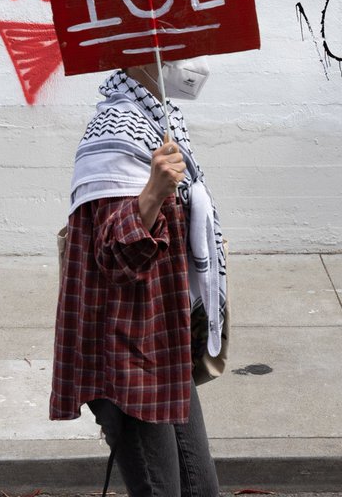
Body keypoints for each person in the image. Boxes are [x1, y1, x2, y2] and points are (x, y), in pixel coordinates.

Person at [52, 62, 224, 497]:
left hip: (162, 339)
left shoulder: (160, 120)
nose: (186, 60)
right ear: (138, 55)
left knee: (200, 489)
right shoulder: (114, 130)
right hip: (124, 353)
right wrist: (152, 193)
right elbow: (113, 254)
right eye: (173, 48)